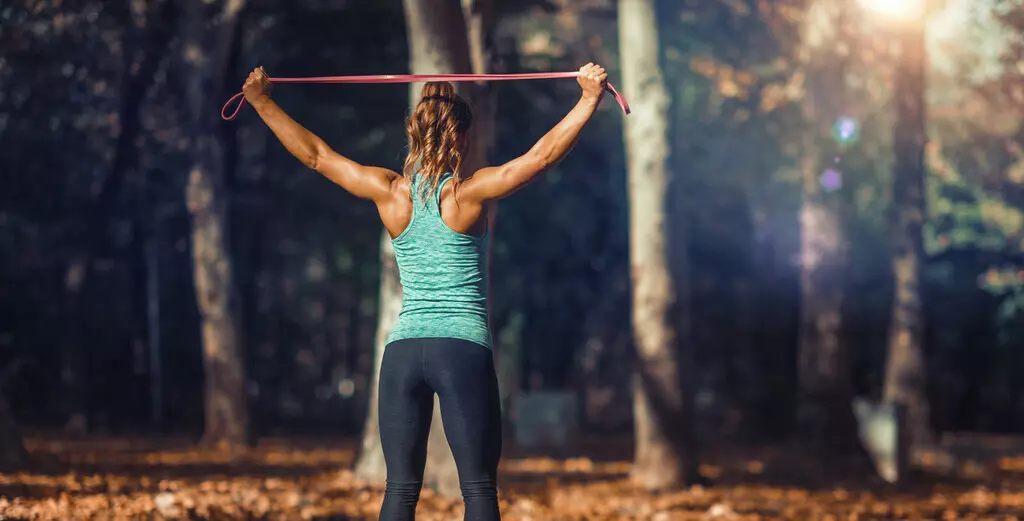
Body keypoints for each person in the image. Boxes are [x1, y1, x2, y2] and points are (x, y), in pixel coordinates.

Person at [241, 62, 609, 521]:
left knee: (399, 491)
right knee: (477, 490)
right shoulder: (468, 195)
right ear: (464, 138)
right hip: (461, 349)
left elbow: (317, 155)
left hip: (402, 353)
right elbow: (538, 159)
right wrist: (588, 99)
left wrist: (262, 102)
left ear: (414, 134)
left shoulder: (390, 193)